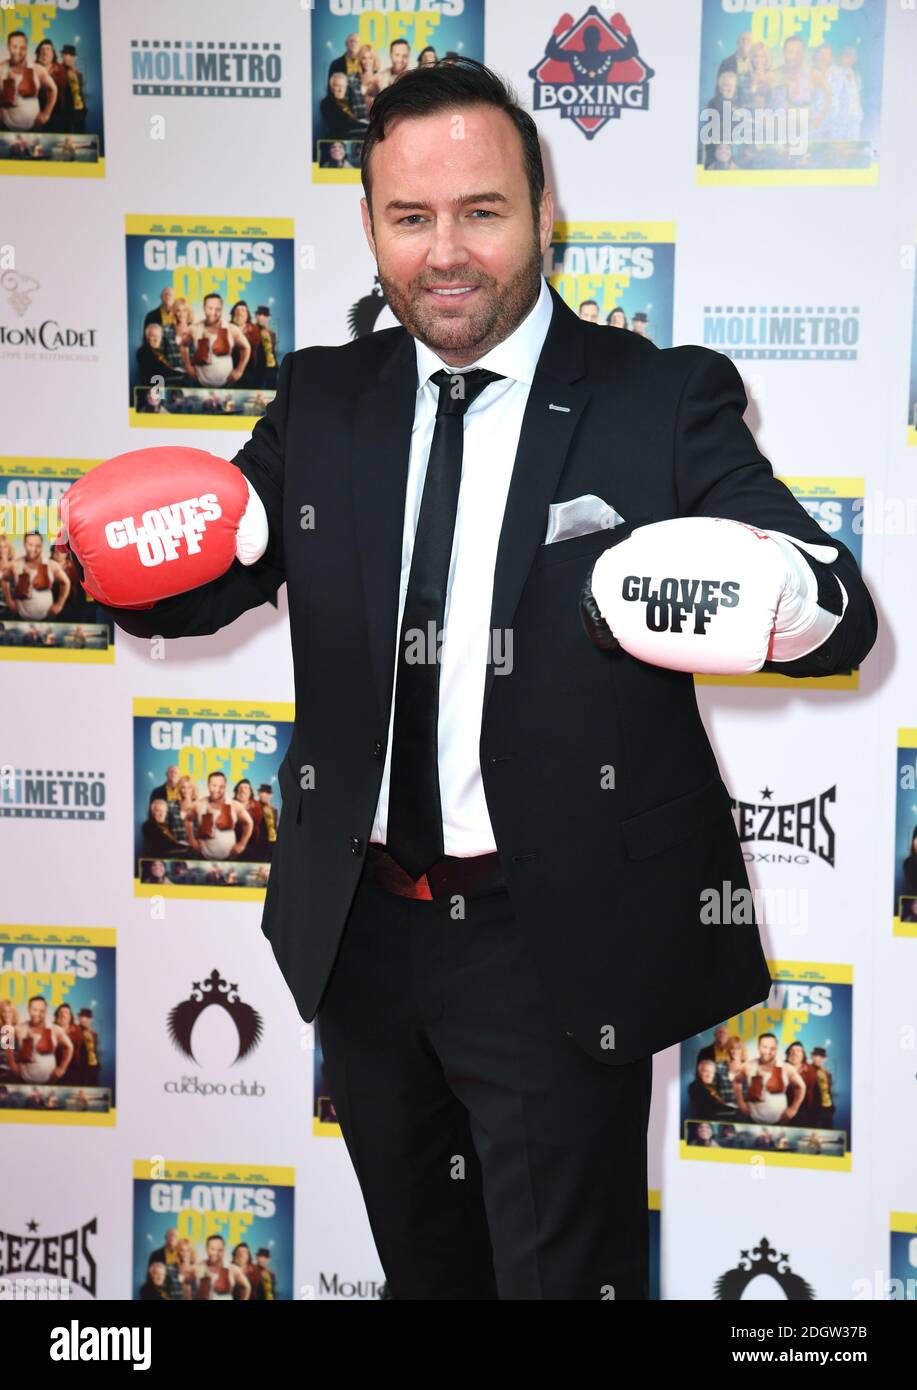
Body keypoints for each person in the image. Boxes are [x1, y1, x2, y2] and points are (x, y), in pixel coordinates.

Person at [66, 58, 877, 1301]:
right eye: (411, 217)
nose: (446, 253)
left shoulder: (656, 399)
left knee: (560, 1282)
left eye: (481, 212)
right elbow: (209, 579)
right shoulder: (322, 398)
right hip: (364, 931)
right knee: (425, 1276)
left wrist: (775, 590)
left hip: (550, 937)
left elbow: (837, 613)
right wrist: (115, 563)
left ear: (542, 210)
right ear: (372, 227)